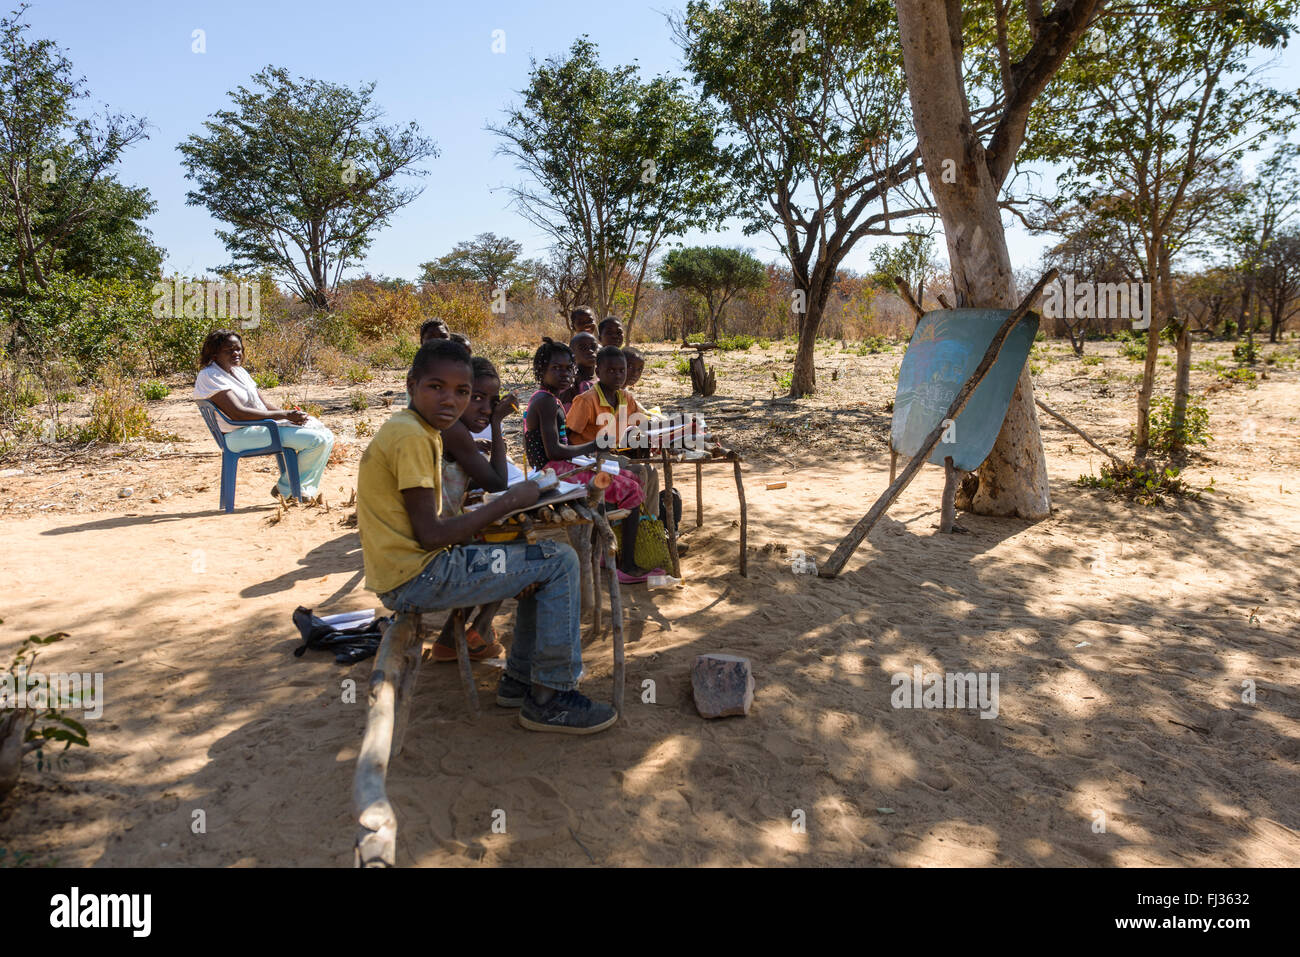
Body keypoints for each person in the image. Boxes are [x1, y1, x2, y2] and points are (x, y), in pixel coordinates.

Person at [357, 339, 616, 734]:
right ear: (411, 385)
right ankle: (551, 697)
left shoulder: (415, 430)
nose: (451, 400)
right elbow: (431, 535)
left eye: (462, 391)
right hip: (419, 577)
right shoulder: (413, 437)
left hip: (410, 570)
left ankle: (520, 680)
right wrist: (511, 500)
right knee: (561, 562)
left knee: (538, 559)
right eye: (436, 387)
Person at [431, 355, 521, 663]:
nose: (486, 409)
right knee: (512, 545)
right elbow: (498, 483)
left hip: (439, 538)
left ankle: (449, 639)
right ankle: (479, 631)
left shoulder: (453, 429)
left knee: (489, 539)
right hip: (433, 550)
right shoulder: (452, 429)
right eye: (477, 398)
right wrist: (497, 423)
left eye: (493, 402)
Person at [193, 330, 335, 502]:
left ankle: (292, 488)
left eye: (238, 349)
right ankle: (289, 489)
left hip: (259, 428)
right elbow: (238, 414)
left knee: (327, 435)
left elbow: (264, 405)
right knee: (316, 441)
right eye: (229, 350)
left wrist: (291, 417)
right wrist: (284, 415)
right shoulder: (210, 375)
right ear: (214, 353)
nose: (236, 353)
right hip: (237, 436)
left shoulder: (238, 371)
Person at [564, 346, 661, 583]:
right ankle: (625, 549)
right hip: (587, 459)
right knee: (638, 472)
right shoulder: (586, 400)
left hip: (613, 455)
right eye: (611, 370)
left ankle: (650, 530)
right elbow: (569, 437)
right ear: (598, 372)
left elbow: (642, 423)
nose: (618, 375)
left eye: (621, 370)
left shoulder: (626, 398)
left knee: (651, 471)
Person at [558, 331, 598, 410]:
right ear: (572, 353)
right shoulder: (569, 384)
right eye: (583, 348)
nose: (590, 351)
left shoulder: (604, 377)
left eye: (593, 346)